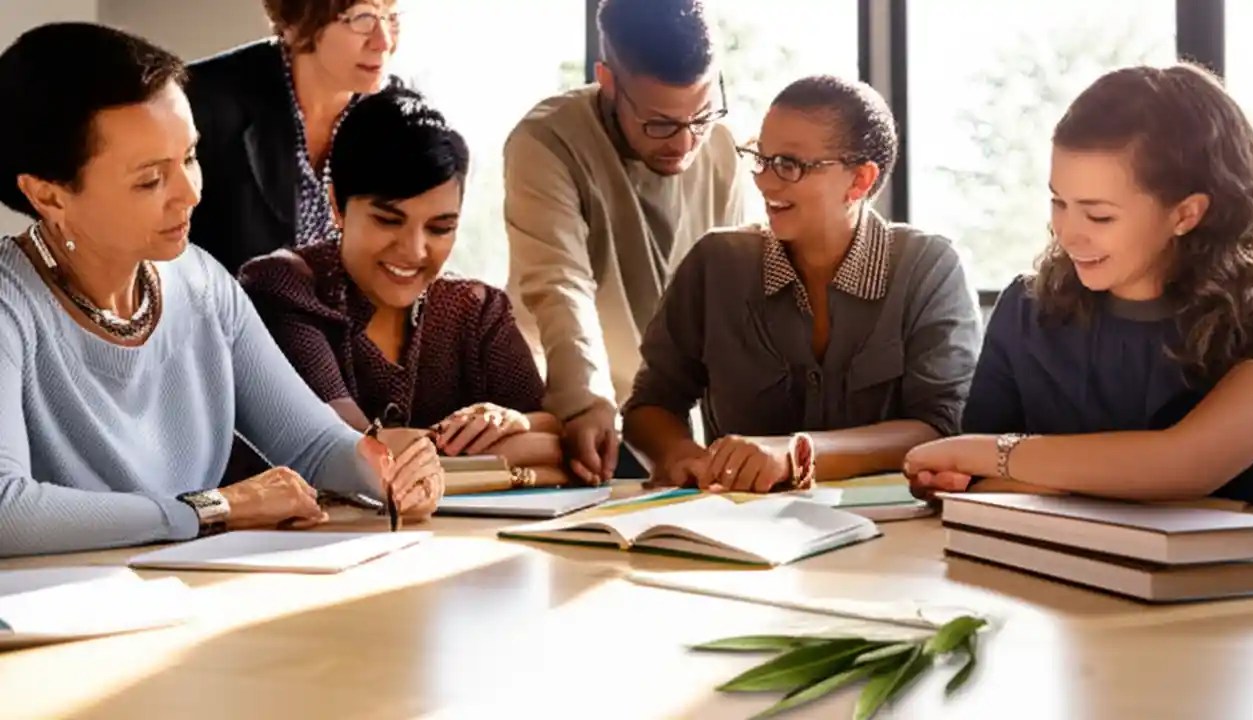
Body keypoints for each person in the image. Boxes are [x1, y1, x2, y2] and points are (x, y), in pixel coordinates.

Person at [0, 23, 441, 559]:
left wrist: (389, 473)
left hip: (193, 593)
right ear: (48, 195)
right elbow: (8, 512)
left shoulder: (204, 284)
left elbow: (313, 442)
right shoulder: (9, 304)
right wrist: (212, 508)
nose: (189, 193)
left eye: (189, 157)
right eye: (149, 180)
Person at [904, 63, 1253, 505]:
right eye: (1059, 202)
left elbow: (1183, 465)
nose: (1068, 233)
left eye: (1099, 215)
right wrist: (984, 466)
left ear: (1185, 214)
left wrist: (994, 456)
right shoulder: (1025, 311)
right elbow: (969, 483)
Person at [622, 75, 982, 493]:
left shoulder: (927, 269)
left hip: (893, 532)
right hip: (740, 531)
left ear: (859, 180)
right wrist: (679, 455)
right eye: (762, 158)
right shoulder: (715, 265)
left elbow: (943, 427)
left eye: (790, 165)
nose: (764, 181)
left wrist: (797, 454)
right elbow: (649, 405)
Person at [241, 87, 565, 477]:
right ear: (336, 205)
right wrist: (513, 451)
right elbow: (356, 449)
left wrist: (511, 421)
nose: (414, 251)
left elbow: (554, 434)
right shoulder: (285, 287)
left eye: (440, 228)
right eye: (388, 220)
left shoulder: (477, 309)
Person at [504, 0, 746, 485]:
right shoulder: (547, 141)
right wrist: (585, 403)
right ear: (608, 79)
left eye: (700, 115)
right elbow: (559, 283)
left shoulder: (719, 148)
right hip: (575, 417)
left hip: (671, 422)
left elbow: (731, 307)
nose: (683, 142)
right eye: (659, 123)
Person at [186, 0, 400, 274]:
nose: (383, 42)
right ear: (296, 24)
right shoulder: (202, 102)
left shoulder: (397, 114)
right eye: (363, 19)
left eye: (390, 17)